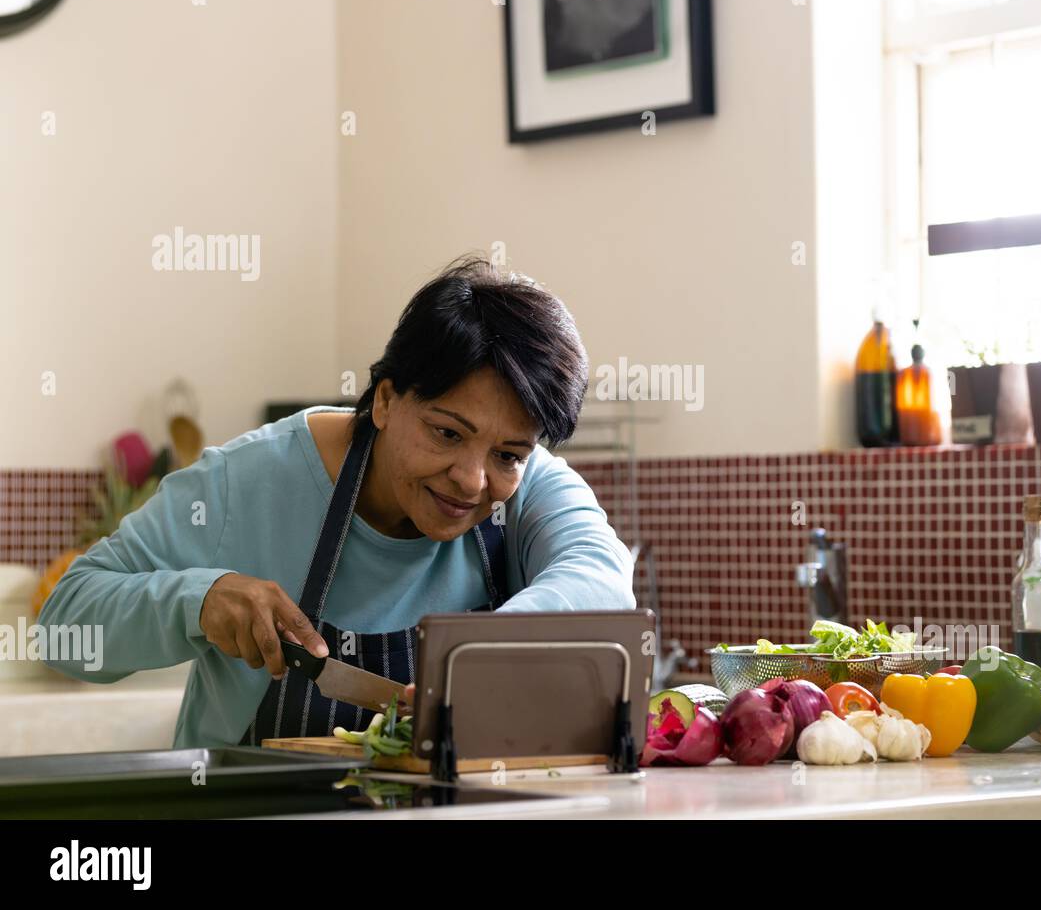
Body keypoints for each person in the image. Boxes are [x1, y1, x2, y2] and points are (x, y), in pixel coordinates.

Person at [38, 257, 635, 747]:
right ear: (384, 400)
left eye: (507, 453)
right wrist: (197, 601)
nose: (473, 480)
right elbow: (64, 622)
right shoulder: (246, 482)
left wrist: (472, 663)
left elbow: (603, 583)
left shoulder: (528, 486)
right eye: (447, 433)